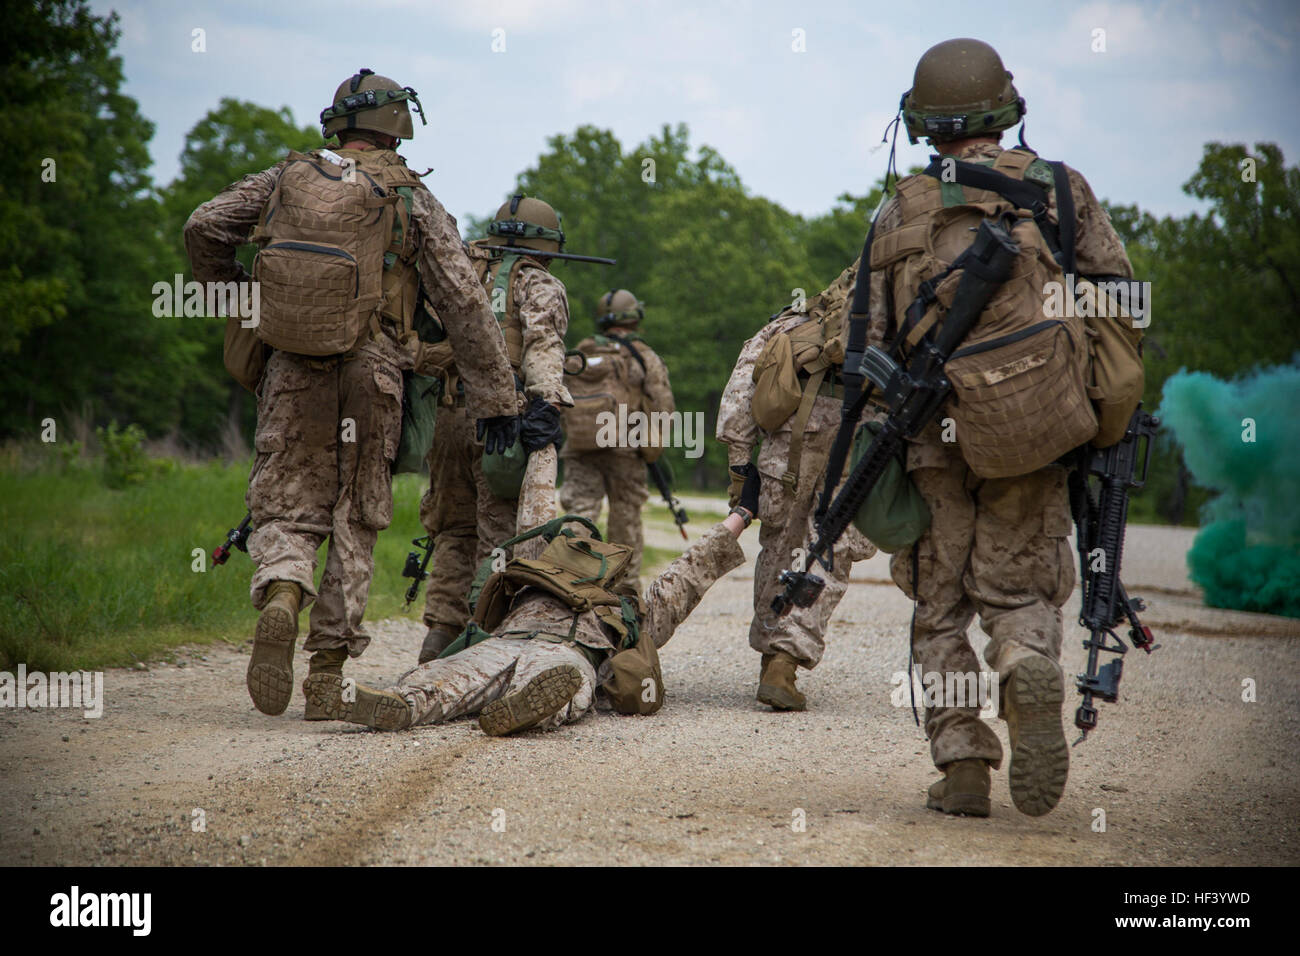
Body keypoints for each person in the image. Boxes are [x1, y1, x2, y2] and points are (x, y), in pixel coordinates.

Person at [841, 38, 1135, 816]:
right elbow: (1122, 303)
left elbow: (862, 340)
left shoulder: (900, 206)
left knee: (937, 607)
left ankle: (964, 765)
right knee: (1020, 586)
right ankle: (1019, 661)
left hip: (934, 436)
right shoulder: (1062, 192)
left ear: (922, 122)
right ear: (1007, 108)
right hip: (1035, 435)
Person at [184, 68, 519, 718]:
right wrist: (499, 403)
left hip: (289, 366)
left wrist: (242, 298)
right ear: (400, 126)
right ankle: (325, 673)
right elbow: (467, 306)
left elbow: (204, 227)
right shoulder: (408, 196)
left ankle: (282, 592)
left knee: (286, 502)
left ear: (337, 125)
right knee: (355, 515)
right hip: (374, 370)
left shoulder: (288, 178)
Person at [304, 471, 761, 735]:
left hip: (514, 644)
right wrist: (741, 514)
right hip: (560, 653)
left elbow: (536, 508)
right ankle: (411, 705)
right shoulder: (630, 608)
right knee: (560, 685)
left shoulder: (533, 574)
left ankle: (404, 703)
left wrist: (543, 444)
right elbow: (692, 570)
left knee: (445, 681)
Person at [416, 195, 573, 664]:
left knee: (451, 529)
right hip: (501, 424)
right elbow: (543, 348)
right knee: (499, 534)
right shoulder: (538, 284)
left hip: (444, 415)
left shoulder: (457, 271)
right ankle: (482, 644)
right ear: (546, 248)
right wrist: (546, 405)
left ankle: (439, 637)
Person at [716, 276, 877, 712]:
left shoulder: (786, 325)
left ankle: (773, 653)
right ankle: (785, 661)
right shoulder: (884, 329)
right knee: (829, 548)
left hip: (786, 450)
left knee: (779, 547)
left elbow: (738, 400)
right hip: (856, 444)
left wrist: (739, 469)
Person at [559, 290, 675, 592]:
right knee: (625, 518)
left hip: (581, 448)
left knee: (580, 512)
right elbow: (664, 407)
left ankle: (569, 583)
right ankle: (623, 593)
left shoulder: (581, 353)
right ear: (635, 318)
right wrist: (651, 447)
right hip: (625, 450)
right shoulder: (644, 356)